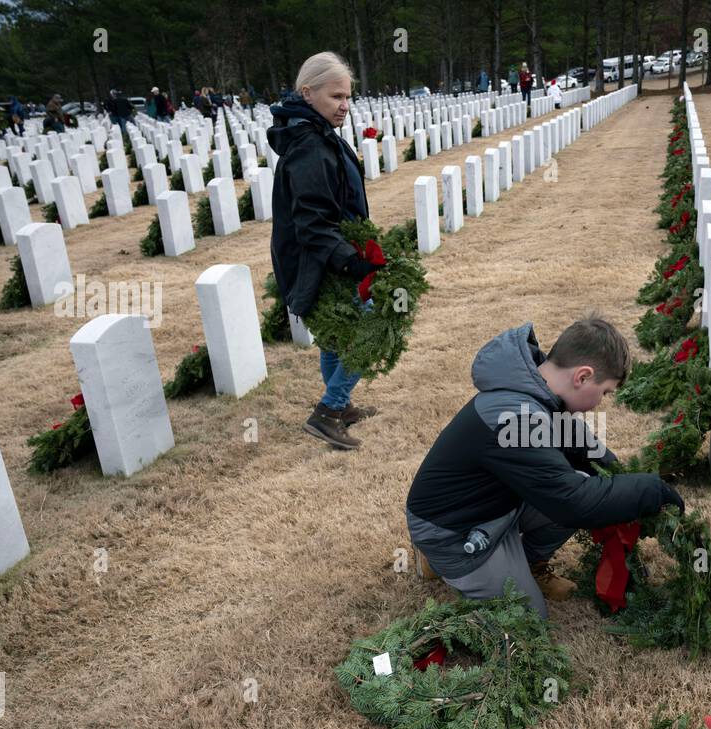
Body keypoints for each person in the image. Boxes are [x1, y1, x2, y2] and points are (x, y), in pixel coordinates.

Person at [405, 316, 685, 619]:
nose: (599, 404)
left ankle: (524, 562)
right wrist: (648, 490)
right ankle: (437, 560)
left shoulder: (536, 389)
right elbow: (572, 502)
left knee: (581, 479)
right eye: (604, 392)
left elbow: (578, 443)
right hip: (451, 530)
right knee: (528, 618)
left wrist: (615, 472)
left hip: (491, 506)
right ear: (582, 376)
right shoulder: (516, 416)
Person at [268, 51, 381, 451]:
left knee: (335, 338)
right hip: (323, 259)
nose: (345, 106)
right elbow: (312, 221)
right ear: (307, 92)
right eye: (336, 97)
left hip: (329, 254)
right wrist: (351, 261)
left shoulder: (314, 134)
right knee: (375, 328)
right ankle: (328, 412)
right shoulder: (308, 146)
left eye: (348, 97)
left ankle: (341, 405)